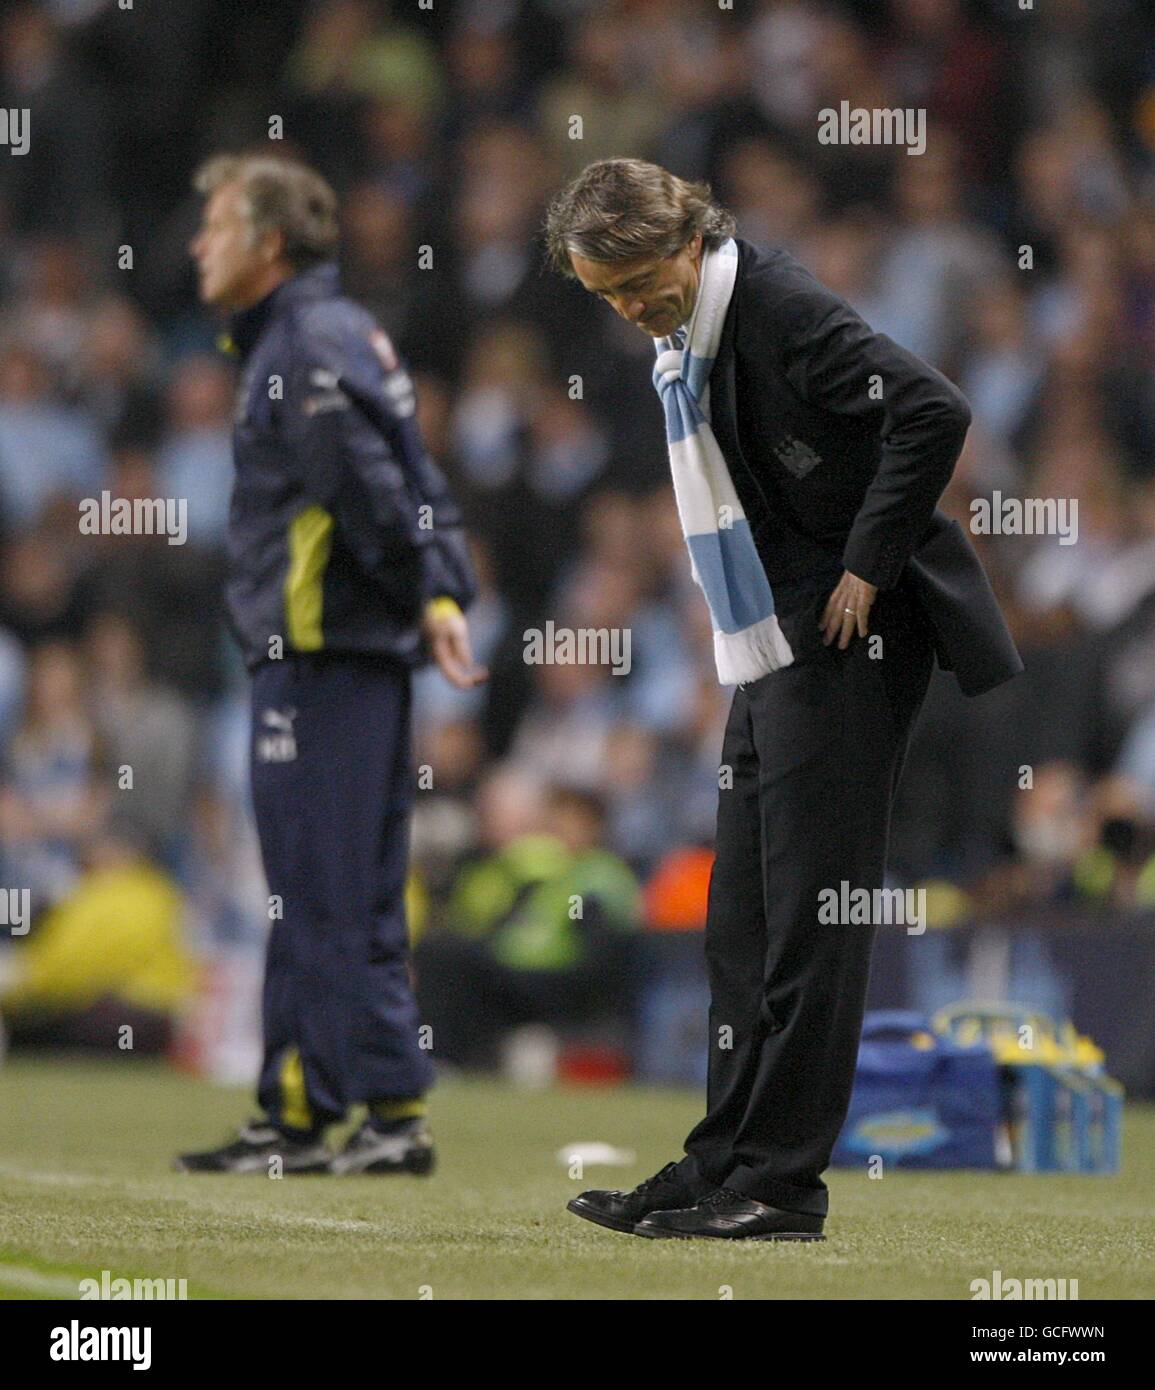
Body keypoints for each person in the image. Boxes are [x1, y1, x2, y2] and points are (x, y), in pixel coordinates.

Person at [544, 158, 1022, 1240]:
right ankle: (722, 1160)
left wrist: (868, 561)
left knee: (812, 916)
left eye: (633, 282)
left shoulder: (774, 304)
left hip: (847, 634)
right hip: (766, 634)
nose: (628, 310)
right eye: (606, 296)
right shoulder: (695, 335)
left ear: (682, 239)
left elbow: (932, 409)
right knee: (743, 919)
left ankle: (782, 1184)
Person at [176, 152, 485, 1177]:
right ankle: (317, 1112)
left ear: (268, 242)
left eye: (215, 227)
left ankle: (367, 1113)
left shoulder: (301, 346)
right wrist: (440, 590)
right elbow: (418, 471)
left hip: (324, 661)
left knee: (325, 891)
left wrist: (425, 590)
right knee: (330, 890)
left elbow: (369, 490)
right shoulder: (337, 333)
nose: (196, 245)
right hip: (345, 661)